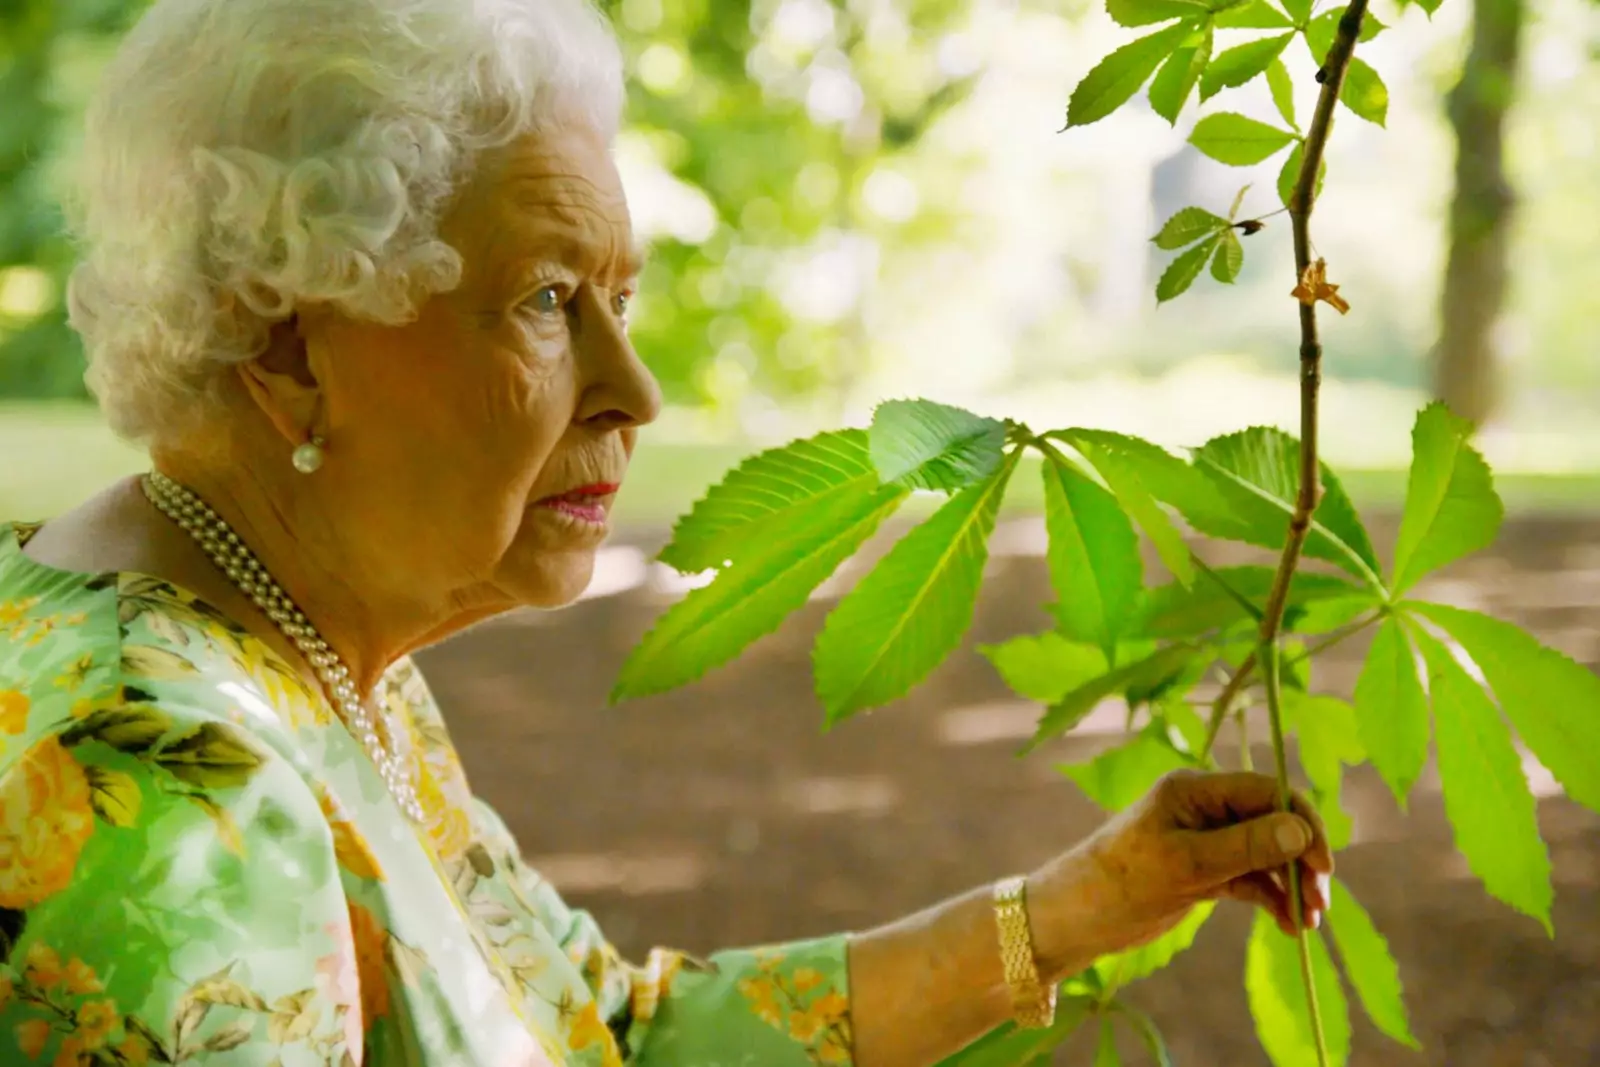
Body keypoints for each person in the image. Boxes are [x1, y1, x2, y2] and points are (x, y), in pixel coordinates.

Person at [0, 0, 1334, 1063]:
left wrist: (1070, 911)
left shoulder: (291, 658)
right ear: (292, 344)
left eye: (619, 299)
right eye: (544, 300)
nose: (632, 389)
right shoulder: (174, 806)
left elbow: (605, 1032)